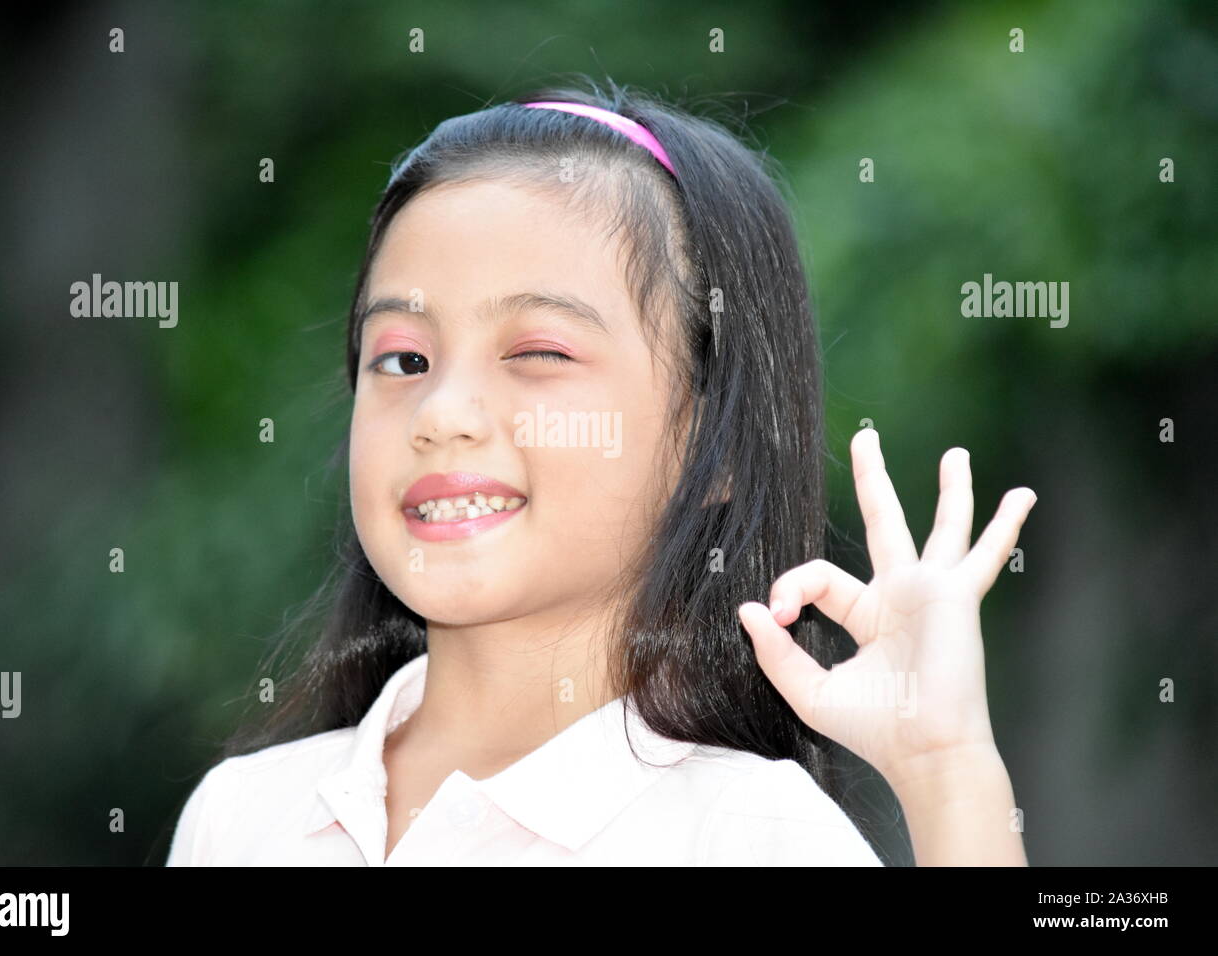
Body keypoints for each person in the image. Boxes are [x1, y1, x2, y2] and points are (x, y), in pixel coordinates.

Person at [166, 76, 1035, 866]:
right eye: (402, 360)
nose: (441, 416)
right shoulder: (241, 819)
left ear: (717, 445)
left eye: (538, 351)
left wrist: (948, 773)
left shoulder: (753, 837)